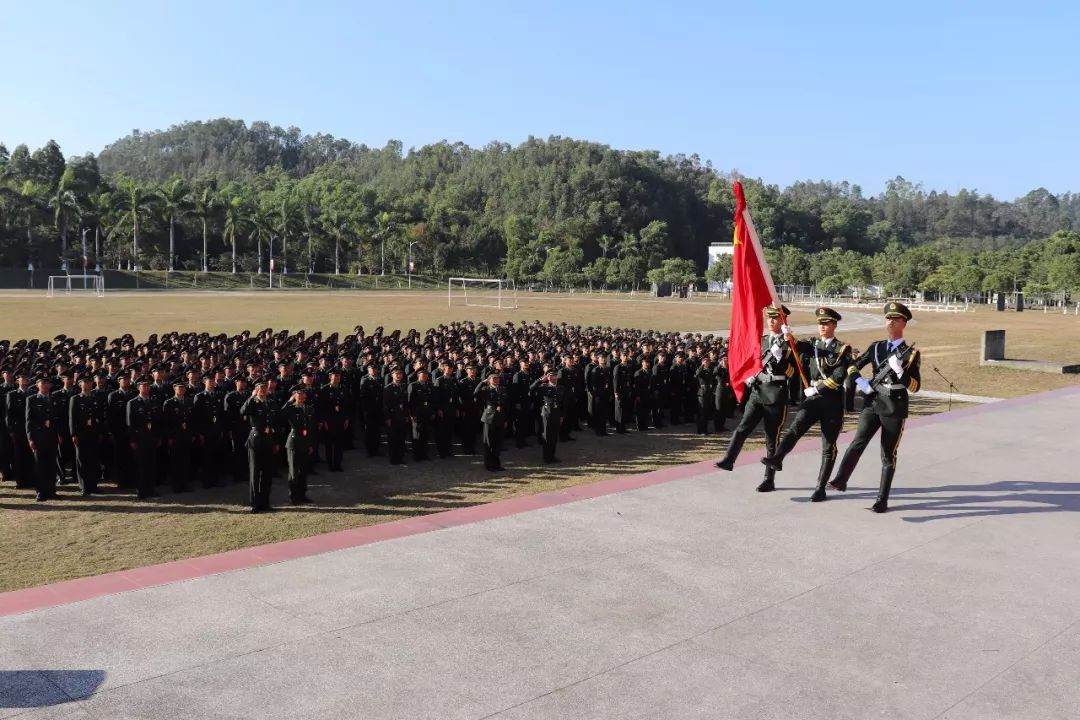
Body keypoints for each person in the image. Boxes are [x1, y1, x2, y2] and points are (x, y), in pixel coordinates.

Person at [829, 302, 921, 513]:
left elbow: (915, 386)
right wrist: (859, 381)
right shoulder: (876, 347)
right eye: (888, 318)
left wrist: (902, 373)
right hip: (872, 402)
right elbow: (853, 365)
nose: (890, 322)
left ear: (904, 323)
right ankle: (840, 480)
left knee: (888, 454)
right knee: (857, 442)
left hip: (894, 407)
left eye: (895, 319)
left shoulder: (911, 354)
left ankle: (882, 500)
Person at [761, 308, 852, 502]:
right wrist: (787, 335)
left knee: (828, 446)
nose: (822, 326)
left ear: (834, 325)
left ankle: (820, 487)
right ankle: (777, 458)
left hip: (831, 401)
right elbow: (795, 346)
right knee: (794, 429)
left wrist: (818, 389)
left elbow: (838, 377)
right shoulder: (812, 344)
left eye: (826, 323)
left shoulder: (842, 348)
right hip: (811, 400)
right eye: (820, 323)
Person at [714, 305, 798, 492]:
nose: (771, 321)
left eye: (775, 318)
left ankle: (769, 479)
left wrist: (781, 358)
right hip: (758, 391)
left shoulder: (791, 343)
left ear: (783, 321)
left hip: (776, 395)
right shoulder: (763, 340)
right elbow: (754, 361)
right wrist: (751, 374)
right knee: (742, 428)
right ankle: (729, 459)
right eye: (769, 318)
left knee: (771, 439)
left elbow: (793, 373)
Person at [241, 376, 279, 513]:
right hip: (256, 441)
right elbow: (243, 411)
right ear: (256, 390)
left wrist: (275, 442)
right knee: (255, 474)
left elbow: (275, 424)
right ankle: (255, 504)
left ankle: (265, 503)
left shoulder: (271, 403)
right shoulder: (253, 403)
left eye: (265, 388)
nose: (263, 391)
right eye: (260, 388)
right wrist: (251, 397)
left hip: (268, 440)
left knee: (267, 474)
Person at [280, 384, 316, 505]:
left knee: (303, 471)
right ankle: (293, 496)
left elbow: (310, 428)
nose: (301, 396)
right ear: (295, 395)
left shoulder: (309, 408)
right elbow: (281, 414)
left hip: (305, 443)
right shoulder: (291, 408)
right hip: (294, 443)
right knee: (293, 472)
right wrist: (290, 401)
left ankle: (302, 494)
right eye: (298, 394)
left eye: (302, 393)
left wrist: (310, 444)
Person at [26, 375, 59, 501]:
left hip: (52, 437)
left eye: (47, 383)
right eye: (42, 383)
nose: (45, 385)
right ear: (37, 385)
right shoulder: (32, 399)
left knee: (51, 465)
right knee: (39, 466)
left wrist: (59, 434)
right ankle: (40, 492)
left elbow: (58, 418)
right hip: (38, 438)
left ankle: (51, 491)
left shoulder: (54, 398)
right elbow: (28, 421)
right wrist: (30, 438)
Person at [127, 376, 160, 499]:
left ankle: (151, 489)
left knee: (151, 465)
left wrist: (158, 437)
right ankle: (141, 490)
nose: (146, 388)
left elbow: (157, 422)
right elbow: (130, 424)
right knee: (140, 466)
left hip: (151, 438)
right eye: (144, 385)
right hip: (139, 439)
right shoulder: (133, 403)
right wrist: (132, 440)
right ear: (138, 388)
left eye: (148, 385)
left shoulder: (153, 401)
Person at [69, 375, 102, 495]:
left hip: (93, 433)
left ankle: (93, 485)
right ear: (80, 384)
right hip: (81, 434)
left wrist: (99, 432)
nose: (88, 384)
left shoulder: (95, 398)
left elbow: (99, 417)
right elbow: (72, 419)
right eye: (85, 382)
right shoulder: (76, 399)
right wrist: (74, 434)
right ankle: (84, 486)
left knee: (93, 459)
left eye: (89, 382)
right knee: (81, 460)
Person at [162, 379, 195, 492]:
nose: (181, 389)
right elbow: (166, 423)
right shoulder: (169, 403)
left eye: (183, 388)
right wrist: (169, 437)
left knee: (186, 460)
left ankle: (184, 484)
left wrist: (192, 434)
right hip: (175, 436)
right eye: (179, 387)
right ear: (174, 389)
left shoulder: (189, 401)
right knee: (175, 461)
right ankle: (176, 485)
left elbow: (191, 420)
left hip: (186, 435)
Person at [475, 372, 508, 471]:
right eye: (493, 379)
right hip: (489, 417)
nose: (496, 380)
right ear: (489, 381)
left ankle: (497, 464)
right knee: (489, 442)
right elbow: (475, 393)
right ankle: (489, 465)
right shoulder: (486, 389)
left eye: (497, 378)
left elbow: (506, 404)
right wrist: (482, 383)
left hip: (500, 417)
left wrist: (506, 419)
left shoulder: (503, 389)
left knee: (498, 442)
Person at [530, 368, 564, 463]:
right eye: (551, 376)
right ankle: (547, 457)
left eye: (555, 376)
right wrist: (540, 380)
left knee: (554, 435)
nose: (554, 378)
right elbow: (531, 389)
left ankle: (552, 456)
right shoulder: (544, 387)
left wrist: (562, 415)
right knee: (547, 435)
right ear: (548, 377)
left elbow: (562, 403)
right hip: (547, 412)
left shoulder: (560, 387)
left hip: (557, 413)